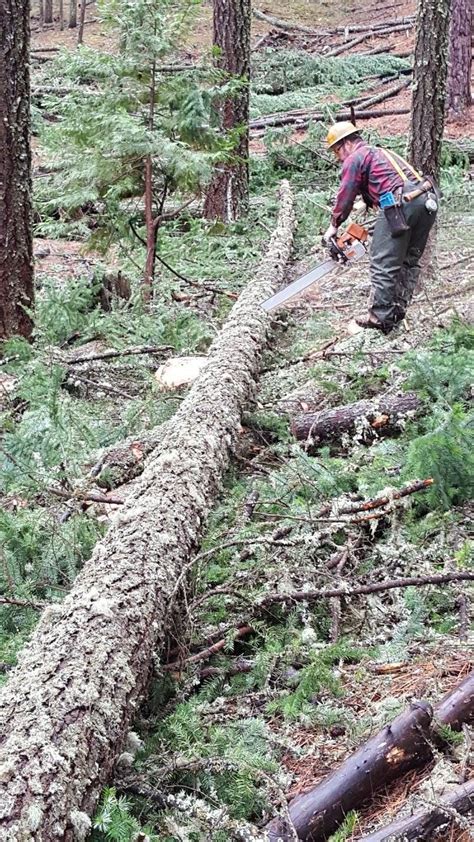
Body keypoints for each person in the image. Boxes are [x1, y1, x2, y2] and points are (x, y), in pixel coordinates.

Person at [322, 122, 438, 334]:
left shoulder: (355, 158)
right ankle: (398, 309)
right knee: (409, 260)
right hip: (427, 200)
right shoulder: (381, 152)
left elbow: (345, 193)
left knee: (382, 260)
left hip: (401, 203)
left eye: (337, 151)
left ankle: (380, 316)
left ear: (346, 143)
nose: (339, 157)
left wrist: (333, 226)